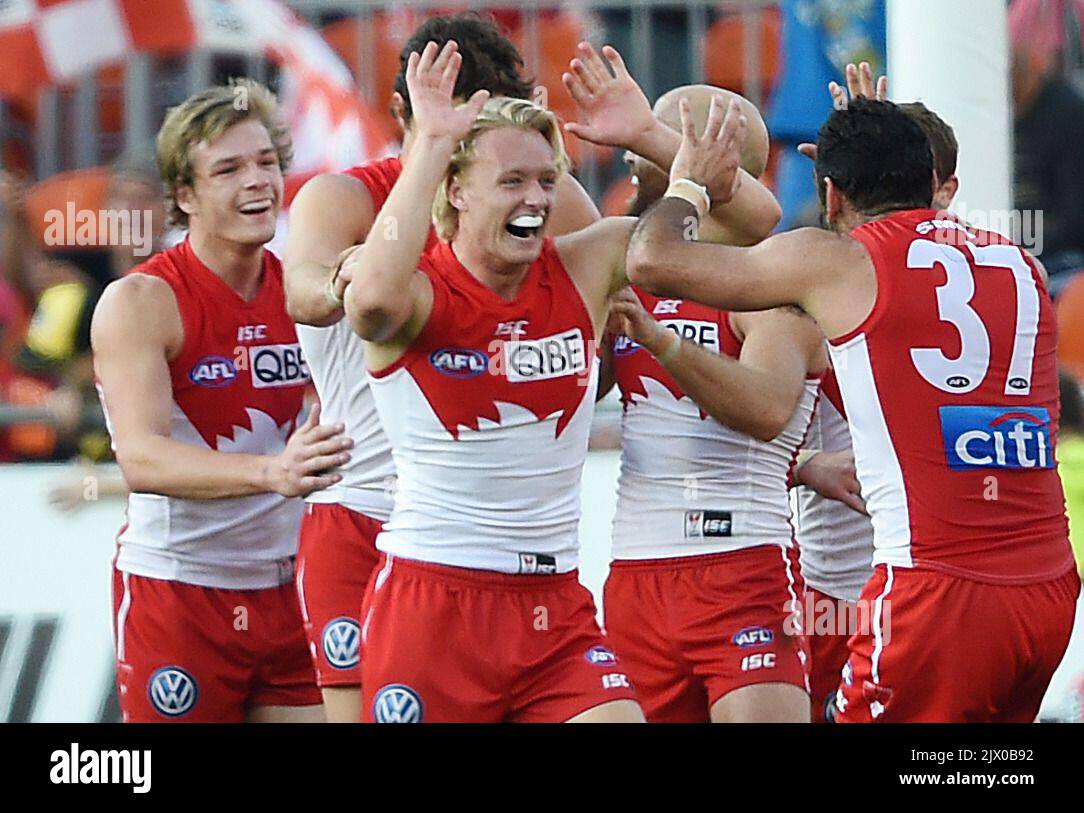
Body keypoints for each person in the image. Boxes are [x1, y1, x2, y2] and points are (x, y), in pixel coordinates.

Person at [626, 93, 1079, 722]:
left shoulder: (837, 259)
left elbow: (651, 259)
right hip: (1048, 587)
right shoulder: (1021, 264)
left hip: (934, 589)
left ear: (832, 195)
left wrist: (689, 186)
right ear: (933, 181)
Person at [283, 13, 603, 723]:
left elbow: (600, 317)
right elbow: (303, 294)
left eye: (486, 118)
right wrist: (349, 277)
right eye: (456, 120)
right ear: (408, 113)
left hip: (501, 537)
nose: (470, 134)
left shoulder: (538, 197)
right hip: (365, 509)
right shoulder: (344, 198)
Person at [563, 59, 815, 722]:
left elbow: (765, 406)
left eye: (653, 147)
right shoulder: (625, 263)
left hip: (742, 571)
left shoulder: (770, 278)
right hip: (635, 571)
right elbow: (576, 399)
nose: (633, 162)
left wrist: (660, 340)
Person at [92, 80, 350, 722]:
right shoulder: (141, 302)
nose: (258, 182)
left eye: (267, 163)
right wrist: (273, 472)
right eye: (229, 169)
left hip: (292, 591)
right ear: (184, 195)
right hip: (179, 594)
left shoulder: (307, 291)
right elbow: (142, 460)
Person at [792, 64, 966, 722]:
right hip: (825, 596)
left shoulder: (974, 296)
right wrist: (807, 468)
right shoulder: (802, 290)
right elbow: (723, 437)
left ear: (945, 189)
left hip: (921, 596)